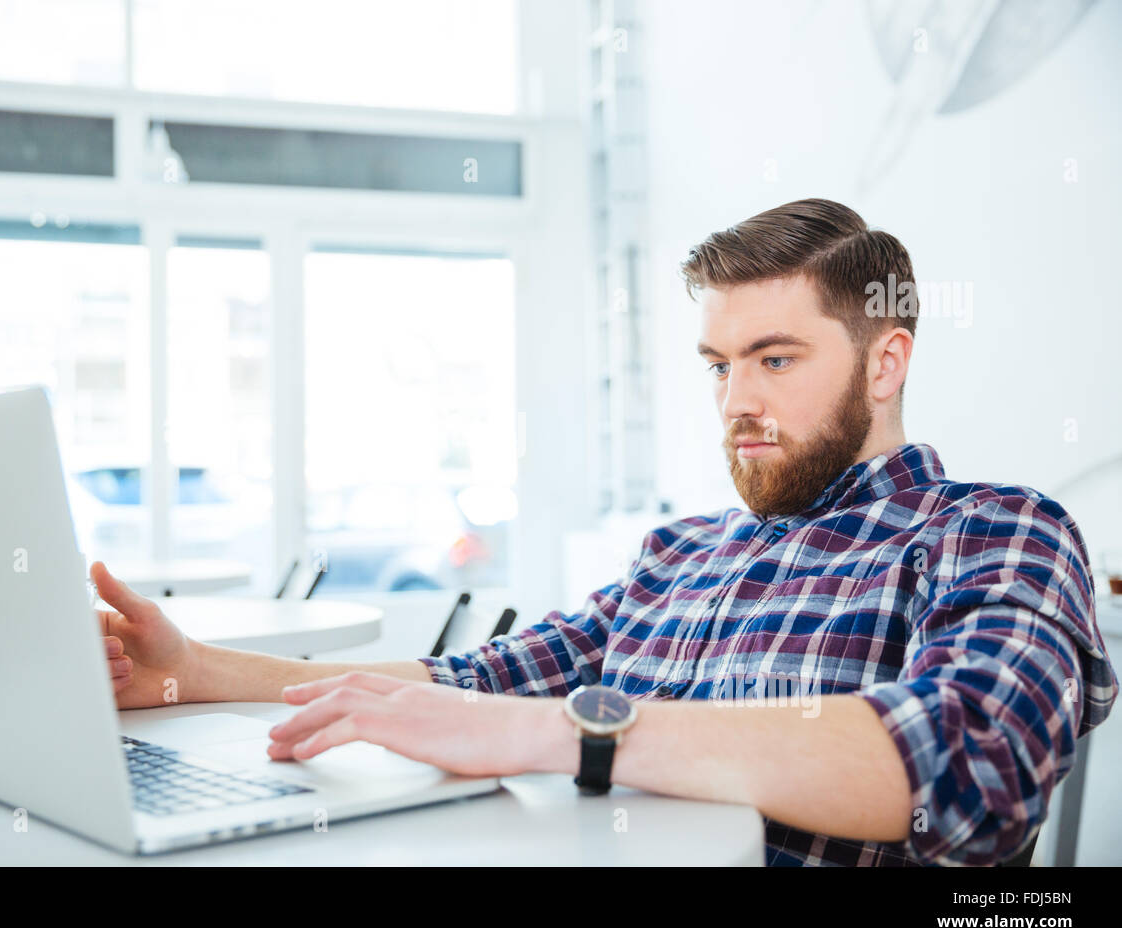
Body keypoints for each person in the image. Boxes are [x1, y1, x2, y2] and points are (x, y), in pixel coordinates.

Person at [92, 198, 1117, 866]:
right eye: (717, 364)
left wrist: (571, 732)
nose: (733, 401)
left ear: (883, 362)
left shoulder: (993, 531)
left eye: (773, 358)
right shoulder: (683, 552)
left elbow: (972, 764)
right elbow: (477, 685)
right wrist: (191, 670)